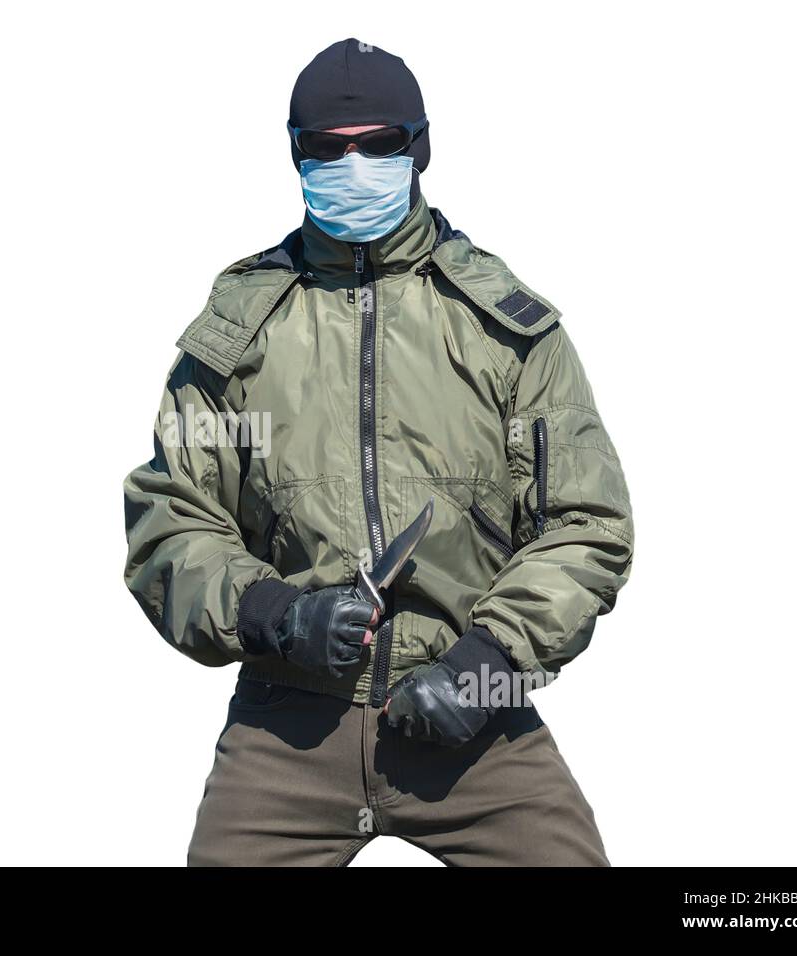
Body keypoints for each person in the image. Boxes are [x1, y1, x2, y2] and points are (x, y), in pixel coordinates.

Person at [123, 38, 634, 866]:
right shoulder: (237, 333)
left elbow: (587, 527)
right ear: (296, 155)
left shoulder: (506, 328)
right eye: (328, 148)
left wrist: (484, 669)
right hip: (287, 720)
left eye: (378, 144)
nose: (352, 164)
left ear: (418, 149)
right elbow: (168, 523)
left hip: (476, 716)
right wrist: (276, 616)